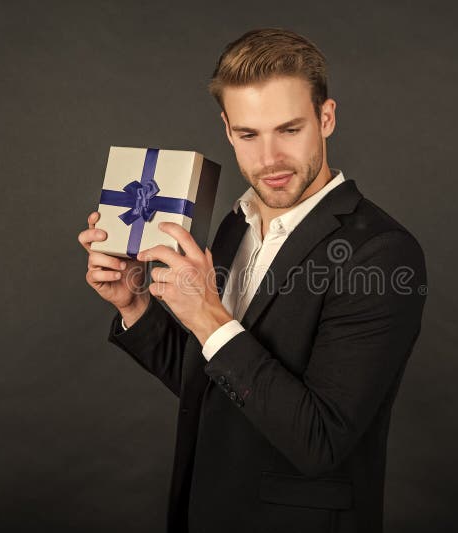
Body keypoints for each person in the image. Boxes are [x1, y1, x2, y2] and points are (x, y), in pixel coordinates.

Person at [77, 27, 427, 533]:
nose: (269, 160)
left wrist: (208, 315)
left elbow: (320, 439)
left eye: (289, 130)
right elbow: (218, 385)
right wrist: (135, 306)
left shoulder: (382, 252)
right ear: (226, 129)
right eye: (248, 134)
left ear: (326, 118)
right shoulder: (234, 225)